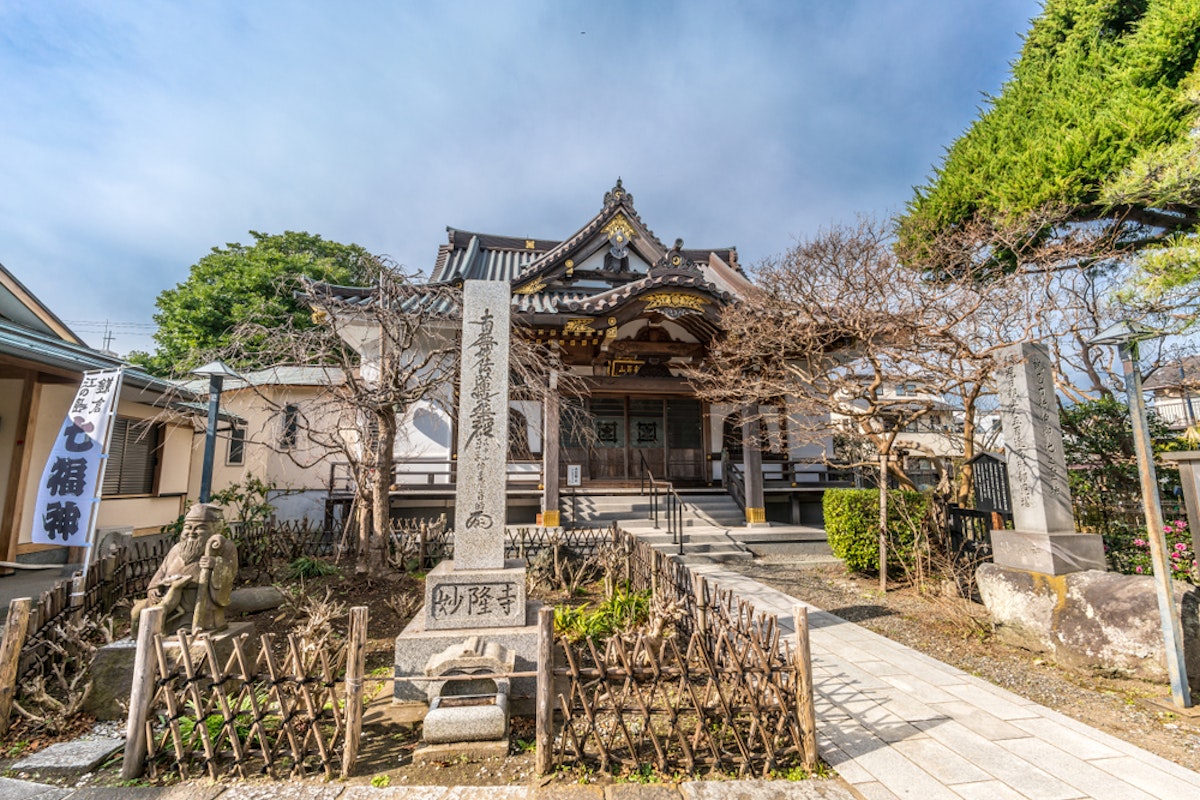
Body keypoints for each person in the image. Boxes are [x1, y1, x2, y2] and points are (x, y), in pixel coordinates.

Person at [130, 503, 237, 635]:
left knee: (190, 608)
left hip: (198, 601)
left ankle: (188, 623)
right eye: (188, 527)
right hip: (167, 596)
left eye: (200, 528)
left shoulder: (225, 547)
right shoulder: (176, 549)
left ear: (215, 529)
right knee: (139, 612)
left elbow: (231, 570)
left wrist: (215, 564)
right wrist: (154, 588)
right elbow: (161, 571)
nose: (191, 533)